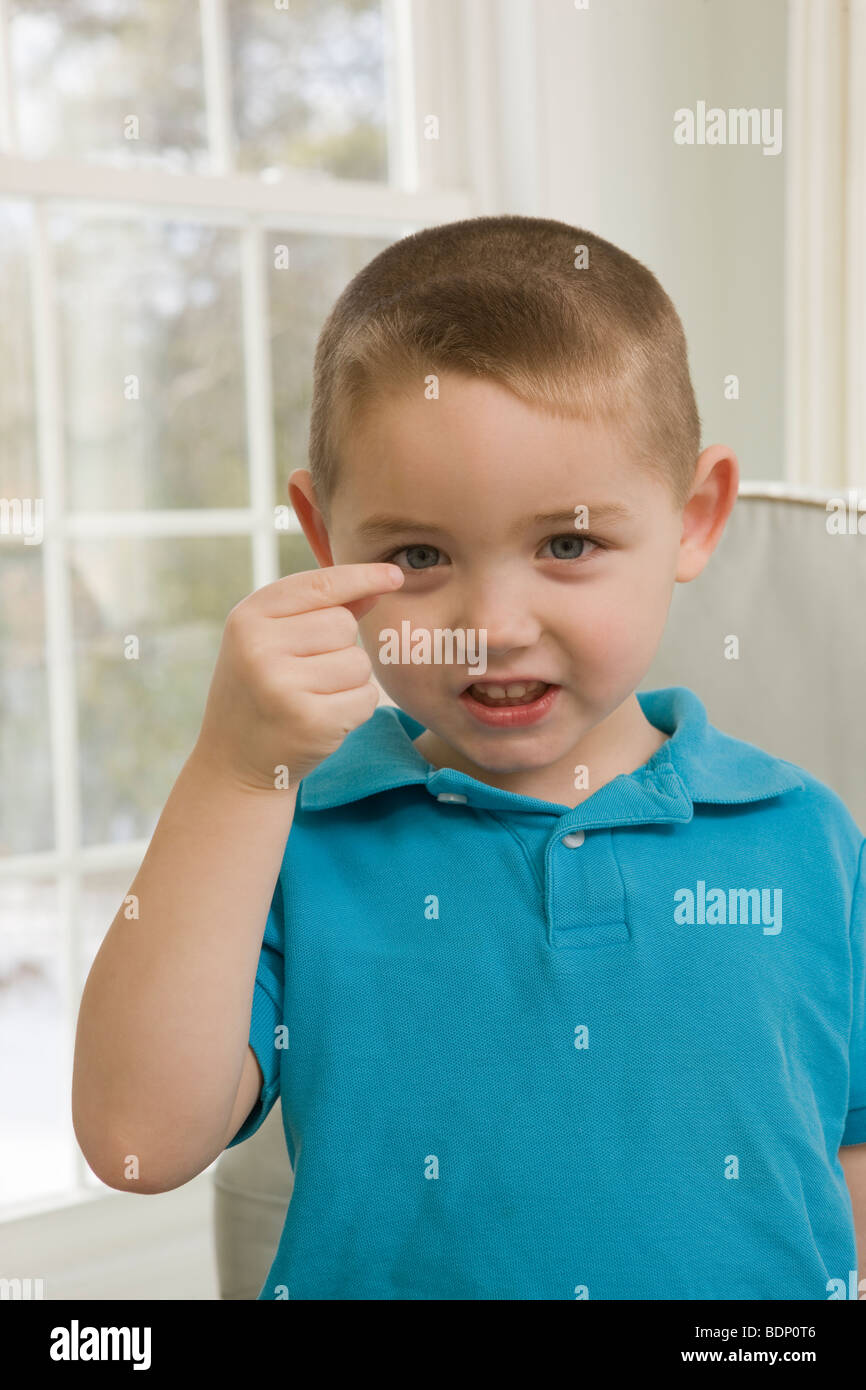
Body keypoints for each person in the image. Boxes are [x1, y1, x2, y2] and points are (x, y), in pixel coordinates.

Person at [72, 215, 866, 1300]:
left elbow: (841, 1164)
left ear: (693, 517)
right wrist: (229, 771)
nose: (493, 622)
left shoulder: (807, 839)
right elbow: (135, 1141)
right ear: (324, 536)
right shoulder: (288, 840)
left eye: (567, 544)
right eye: (417, 554)